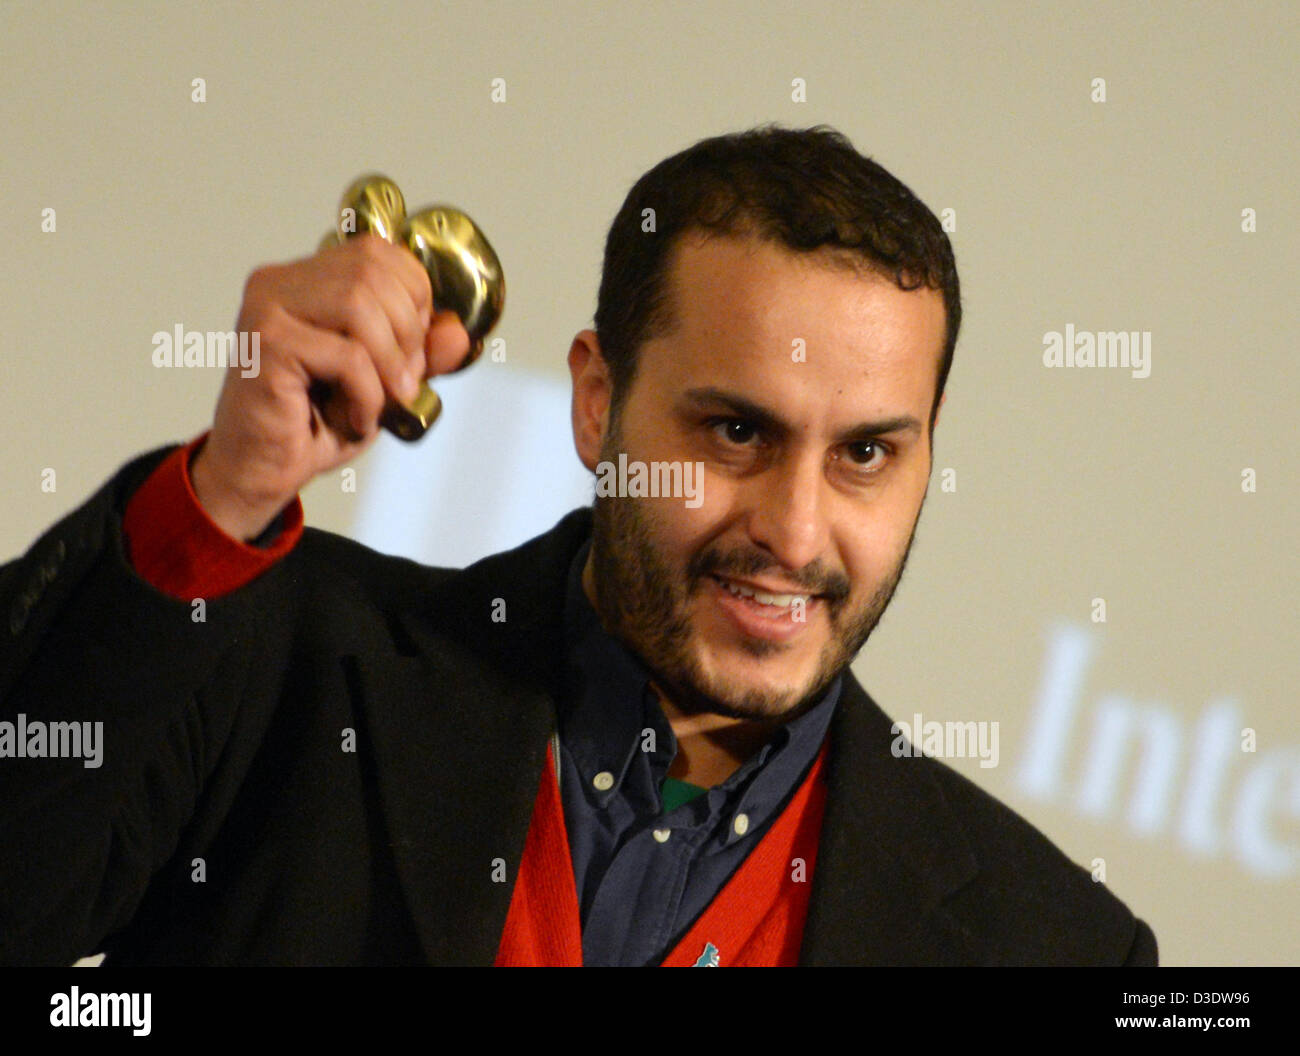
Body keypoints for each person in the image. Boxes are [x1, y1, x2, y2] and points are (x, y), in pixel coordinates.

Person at [0, 124, 1156, 966]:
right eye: (737, 430)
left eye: (865, 454)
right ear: (596, 403)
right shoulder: (281, 668)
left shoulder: (1051, 948)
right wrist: (222, 497)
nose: (795, 534)